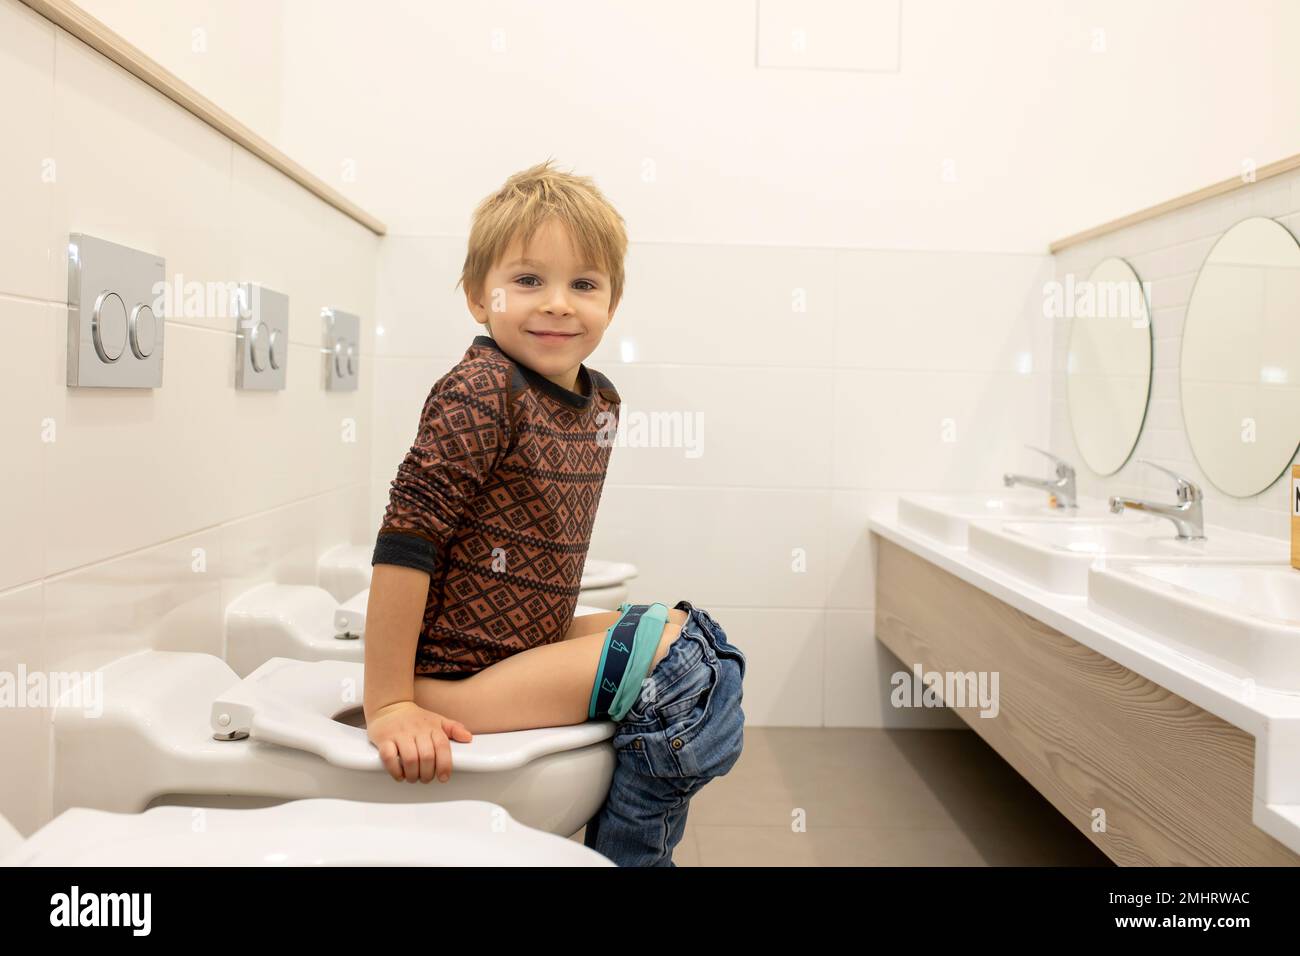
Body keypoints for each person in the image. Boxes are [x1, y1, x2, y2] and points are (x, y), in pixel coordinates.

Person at [362, 159, 745, 865]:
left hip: (514, 648)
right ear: (480, 297)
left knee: (695, 638)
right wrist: (389, 702)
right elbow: (407, 538)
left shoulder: (600, 400)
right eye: (529, 280)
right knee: (688, 667)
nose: (559, 303)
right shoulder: (482, 389)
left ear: (613, 301)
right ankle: (633, 855)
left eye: (584, 284)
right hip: (460, 673)